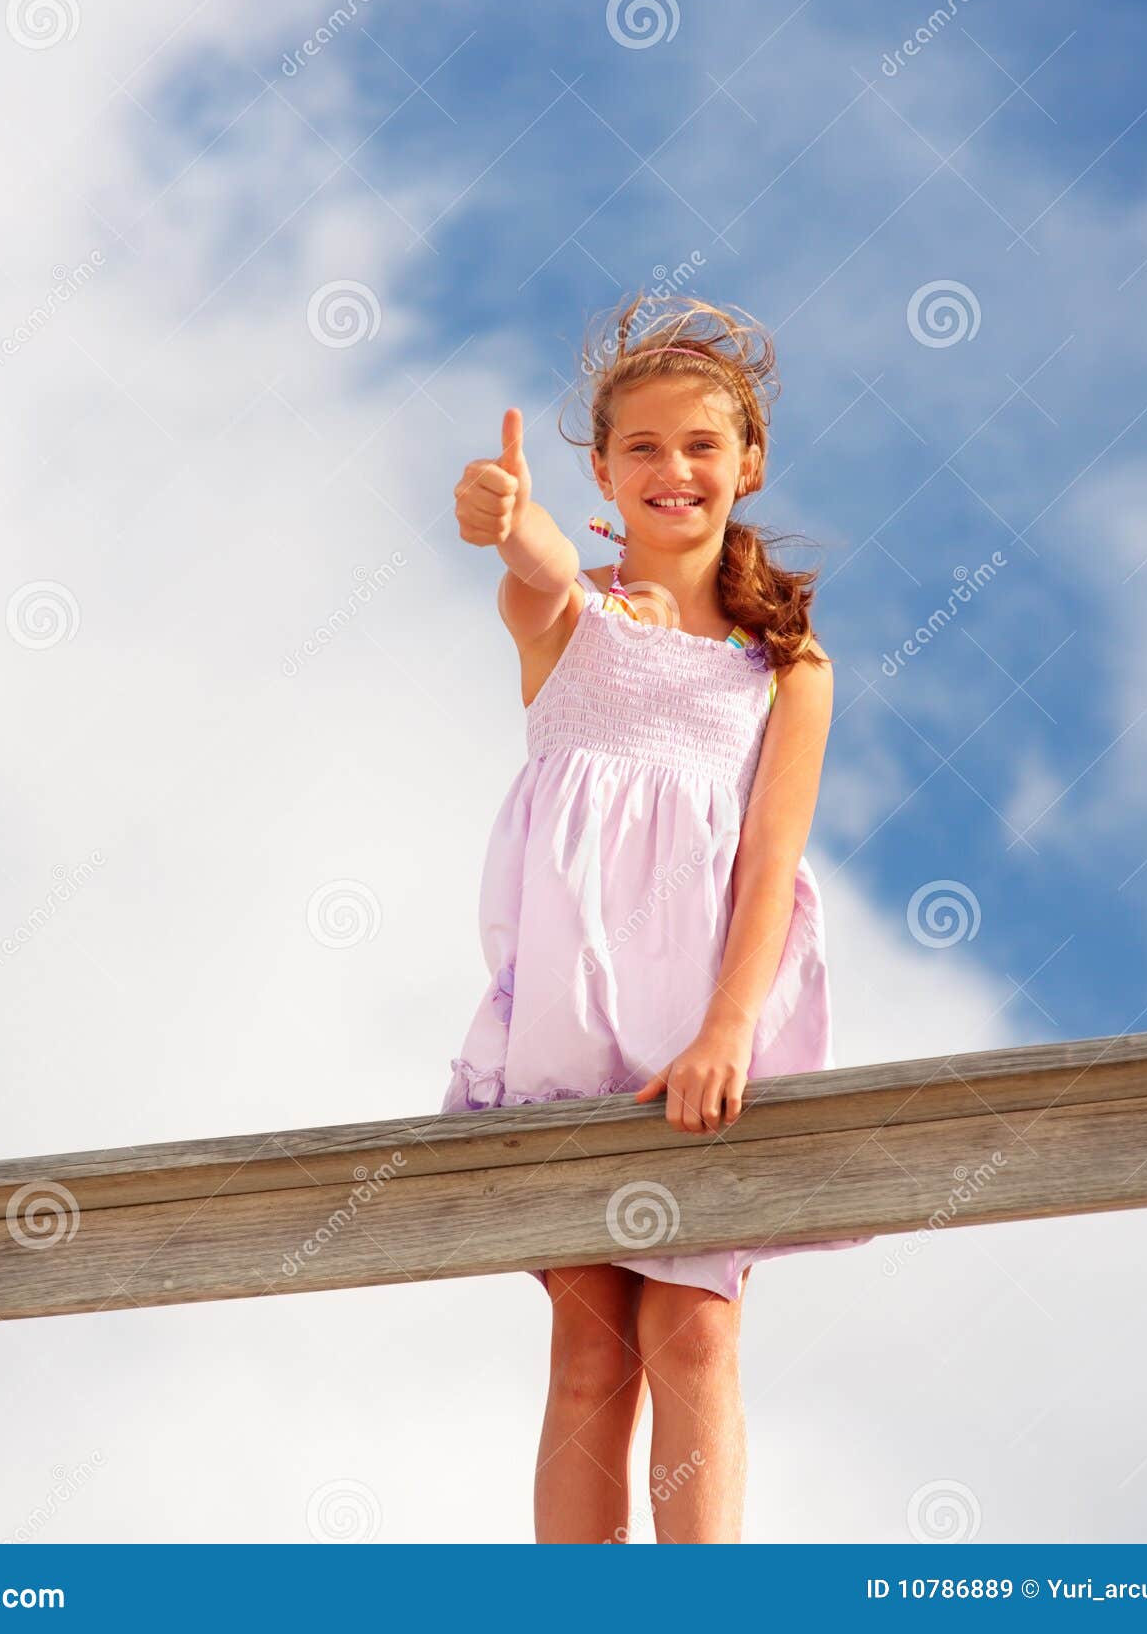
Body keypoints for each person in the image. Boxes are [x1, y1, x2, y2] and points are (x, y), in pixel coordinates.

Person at [439, 293, 871, 1544]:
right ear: (602, 470)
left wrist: (728, 1031)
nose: (672, 470)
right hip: (570, 1037)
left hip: (701, 1041)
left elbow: (771, 866)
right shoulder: (571, 622)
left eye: (699, 447)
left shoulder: (788, 666)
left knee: (694, 1340)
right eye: (642, 447)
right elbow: (544, 570)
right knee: (585, 1359)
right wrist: (514, 525)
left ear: (747, 466)